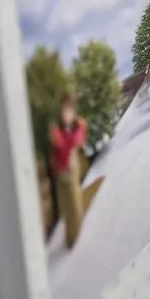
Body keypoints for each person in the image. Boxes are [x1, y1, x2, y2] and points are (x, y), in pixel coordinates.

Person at [49, 93, 88, 249]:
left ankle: (75, 240)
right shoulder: (59, 129)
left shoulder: (73, 129)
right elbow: (61, 146)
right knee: (66, 209)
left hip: (71, 173)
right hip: (61, 174)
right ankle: (71, 239)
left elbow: (76, 143)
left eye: (70, 111)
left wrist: (80, 130)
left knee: (75, 208)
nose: (67, 114)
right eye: (64, 111)